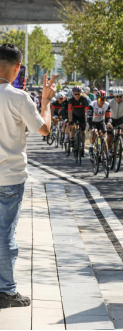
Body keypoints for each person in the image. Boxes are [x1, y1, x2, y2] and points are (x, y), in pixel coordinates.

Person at [0, 43, 57, 308]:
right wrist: (45, 101)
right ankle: (6, 290)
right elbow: (44, 129)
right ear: (17, 68)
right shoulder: (19, 97)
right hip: (9, 178)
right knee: (5, 234)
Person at [67, 86, 90, 155]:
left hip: (82, 115)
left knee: (83, 132)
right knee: (72, 126)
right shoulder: (70, 100)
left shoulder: (84, 99)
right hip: (74, 115)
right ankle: (71, 139)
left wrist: (87, 120)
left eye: (78, 94)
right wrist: (70, 120)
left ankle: (82, 146)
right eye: (75, 94)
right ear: (73, 94)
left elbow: (86, 111)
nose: (77, 95)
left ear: (81, 93)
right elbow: (70, 111)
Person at [88, 90, 111, 156]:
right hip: (92, 121)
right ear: (97, 99)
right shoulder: (92, 105)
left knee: (104, 137)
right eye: (100, 99)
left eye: (104, 99)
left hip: (101, 122)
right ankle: (91, 146)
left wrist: (108, 123)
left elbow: (108, 117)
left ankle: (106, 155)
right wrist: (91, 127)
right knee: (94, 133)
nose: (102, 101)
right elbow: (89, 118)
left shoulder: (107, 105)